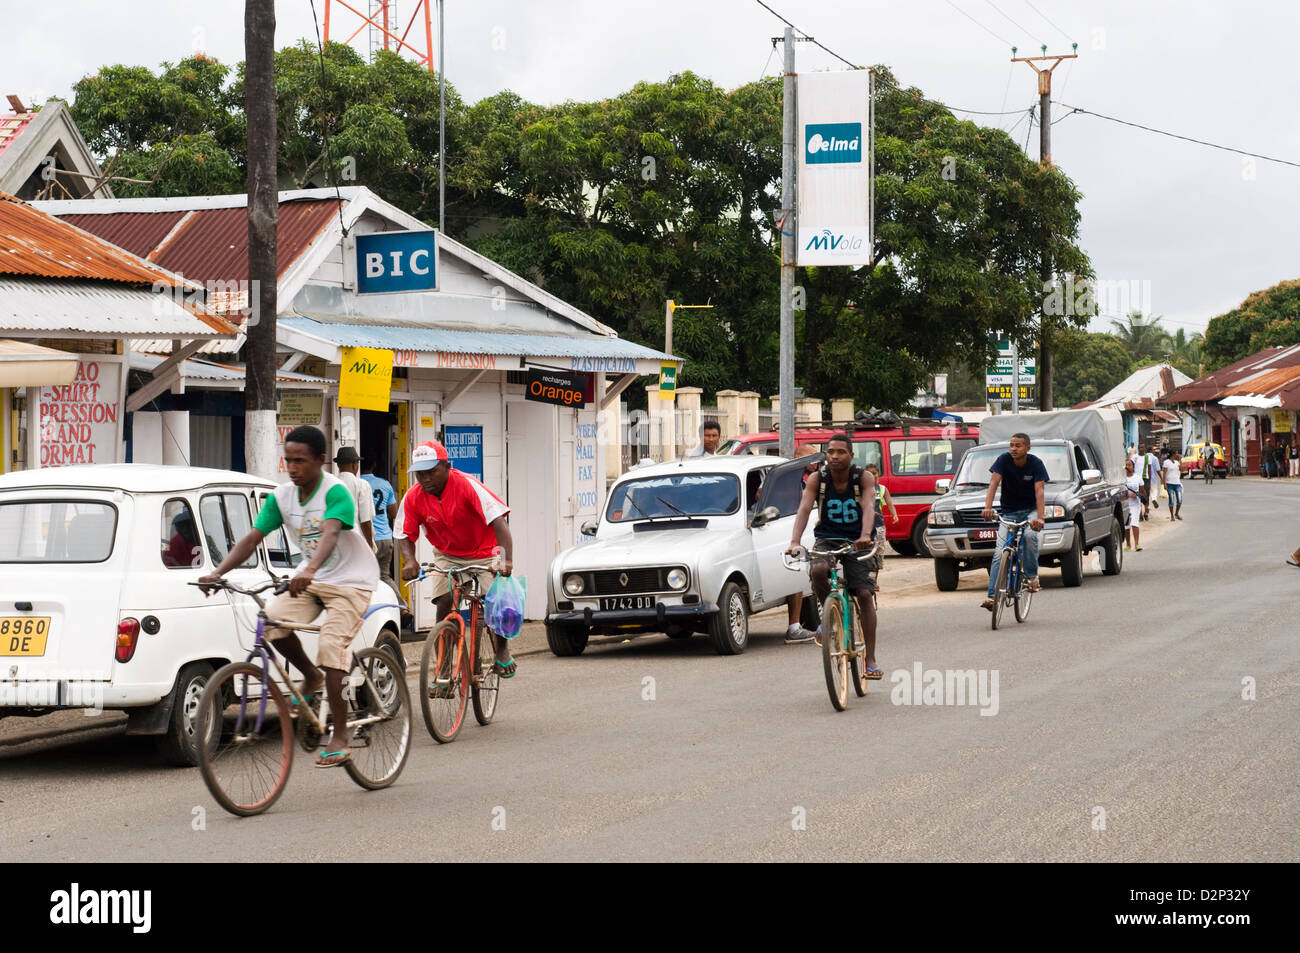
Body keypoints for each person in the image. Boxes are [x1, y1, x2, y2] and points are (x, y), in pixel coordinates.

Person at [198, 425, 378, 768]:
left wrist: (308, 570)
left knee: (331, 647)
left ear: (321, 461)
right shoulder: (282, 497)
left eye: (301, 461)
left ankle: (340, 736)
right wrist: (218, 573)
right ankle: (311, 676)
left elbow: (329, 534)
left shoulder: (335, 492)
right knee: (271, 623)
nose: (293, 468)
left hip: (352, 581)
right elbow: (251, 539)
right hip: (311, 579)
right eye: (289, 461)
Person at [398, 441, 518, 676]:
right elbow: (403, 534)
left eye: (431, 471)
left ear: (446, 466)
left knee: (499, 602)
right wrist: (409, 560)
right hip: (447, 554)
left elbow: (499, 521)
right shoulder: (413, 497)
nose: (425, 479)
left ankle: (502, 650)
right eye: (419, 474)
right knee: (445, 601)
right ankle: (443, 666)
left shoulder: (466, 485)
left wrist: (506, 560)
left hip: (485, 552)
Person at [784, 433, 881, 676]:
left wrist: (866, 534)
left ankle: (870, 659)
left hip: (859, 540)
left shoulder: (863, 477)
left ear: (851, 455)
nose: (835, 456)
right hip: (827, 538)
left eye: (840, 452)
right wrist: (795, 541)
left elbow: (868, 505)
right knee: (817, 570)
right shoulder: (818, 478)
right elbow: (805, 508)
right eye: (830, 452)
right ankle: (830, 618)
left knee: (864, 593)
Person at [980, 432, 1048, 610]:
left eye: (1018, 445)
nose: (1013, 449)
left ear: (1027, 448)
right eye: (1011, 445)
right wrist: (987, 507)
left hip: (1030, 512)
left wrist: (1040, 518)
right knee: (998, 553)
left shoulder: (1036, 464)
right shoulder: (1003, 460)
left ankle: (1032, 577)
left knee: (1029, 537)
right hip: (1008, 512)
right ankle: (992, 597)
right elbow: (994, 481)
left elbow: (1039, 491)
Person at [782, 443, 822, 644]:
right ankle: (794, 627)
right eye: (811, 458)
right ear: (799, 457)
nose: (815, 462)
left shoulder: (806, 479)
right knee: (796, 575)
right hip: (784, 531)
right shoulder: (788, 476)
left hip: (801, 530)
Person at [361, 457, 405, 617]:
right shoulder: (384, 484)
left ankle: (371, 613)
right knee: (384, 576)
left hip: (366, 539)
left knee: (363, 577)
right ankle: (402, 607)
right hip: (386, 537)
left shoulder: (357, 483)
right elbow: (393, 512)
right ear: (373, 464)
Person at [333, 446, 376, 549]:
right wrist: (370, 546)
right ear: (354, 464)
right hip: (356, 543)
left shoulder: (331, 485)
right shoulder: (361, 484)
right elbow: (365, 521)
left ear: (338, 465)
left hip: (336, 544)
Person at [864, 463, 899, 530]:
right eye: (869, 473)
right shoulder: (861, 488)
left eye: (874, 473)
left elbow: (890, 505)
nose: (872, 476)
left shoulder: (883, 489)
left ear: (878, 474)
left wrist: (894, 515)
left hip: (878, 525)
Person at [1123, 459, 1144, 551]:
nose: (1127, 467)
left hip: (1135, 504)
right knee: (1126, 525)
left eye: (1129, 465)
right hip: (1125, 505)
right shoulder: (1122, 479)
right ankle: (1128, 545)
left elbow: (1142, 491)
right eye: (1126, 465)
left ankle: (1137, 544)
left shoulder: (1138, 478)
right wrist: (1127, 495)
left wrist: (1138, 495)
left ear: (1133, 467)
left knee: (1134, 522)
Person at [1161, 450, 1183, 521]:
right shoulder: (1166, 462)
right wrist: (1164, 483)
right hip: (1169, 483)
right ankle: (1172, 516)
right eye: (1176, 453)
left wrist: (1180, 460)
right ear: (1173, 454)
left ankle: (1176, 513)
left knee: (1179, 500)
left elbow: (1181, 470)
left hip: (1177, 483)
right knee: (1171, 500)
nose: (1178, 454)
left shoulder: (1177, 462)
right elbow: (1164, 473)